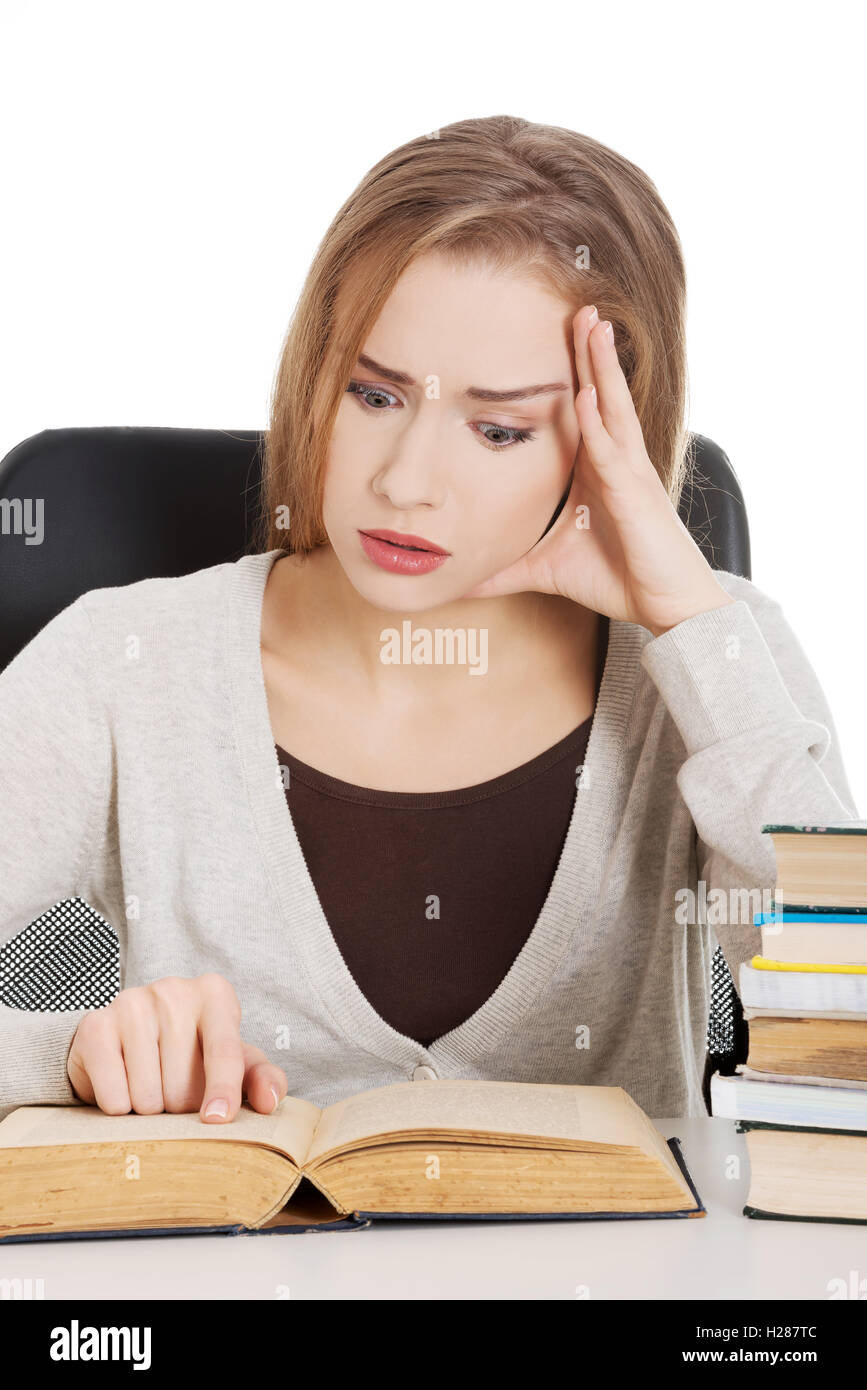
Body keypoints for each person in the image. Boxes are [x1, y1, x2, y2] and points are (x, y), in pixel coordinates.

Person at [0, 116, 858, 1127]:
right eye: (373, 393)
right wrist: (68, 1053)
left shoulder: (719, 660)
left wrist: (691, 630)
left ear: (610, 435)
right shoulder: (122, 667)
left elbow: (851, 1025)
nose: (405, 481)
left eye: (497, 428)